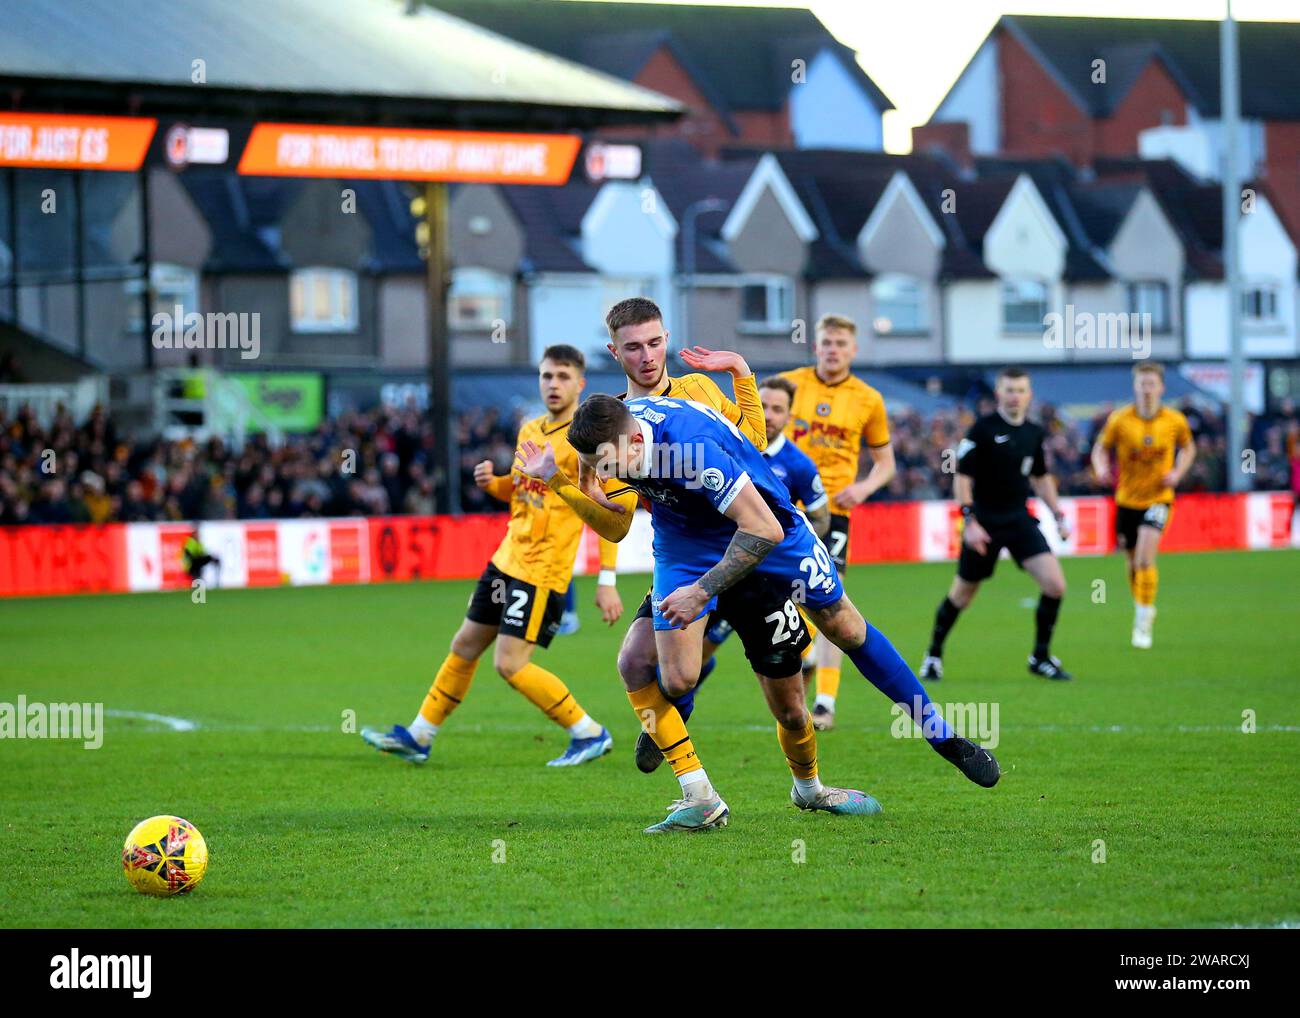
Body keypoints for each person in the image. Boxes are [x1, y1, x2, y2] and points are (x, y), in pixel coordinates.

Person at [540, 392, 1000, 833]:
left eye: (612, 465)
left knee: (845, 629)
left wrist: (701, 592)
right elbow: (594, 449)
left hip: (767, 525)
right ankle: (693, 771)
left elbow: (761, 530)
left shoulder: (691, 451)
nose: (609, 474)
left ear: (637, 441)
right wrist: (582, 480)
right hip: (686, 541)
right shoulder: (609, 428)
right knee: (673, 676)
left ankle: (944, 738)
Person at [536, 297, 773, 776]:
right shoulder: (616, 422)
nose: (646, 356)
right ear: (613, 351)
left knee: (789, 694)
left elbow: (757, 444)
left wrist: (742, 373)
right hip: (683, 552)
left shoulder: (699, 388)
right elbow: (619, 524)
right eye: (633, 348)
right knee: (660, 669)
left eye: (654, 343)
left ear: (666, 340)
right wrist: (565, 483)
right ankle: (677, 744)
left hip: (746, 546)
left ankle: (809, 782)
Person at [360, 346, 628, 767]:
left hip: (543, 571)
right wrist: (495, 484)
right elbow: (522, 491)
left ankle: (588, 731)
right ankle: (420, 735)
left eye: (562, 376)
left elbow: (609, 513)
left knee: (510, 664)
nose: (553, 384)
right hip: (505, 560)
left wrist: (607, 581)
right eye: (546, 376)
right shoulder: (529, 428)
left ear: (581, 383)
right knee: (464, 645)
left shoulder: (586, 443)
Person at [780, 314, 895, 731]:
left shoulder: (868, 399)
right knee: (787, 597)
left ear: (853, 350)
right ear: (815, 346)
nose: (833, 349)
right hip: (783, 506)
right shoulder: (788, 384)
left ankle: (825, 703)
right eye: (826, 342)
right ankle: (805, 658)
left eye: (841, 343)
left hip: (833, 513)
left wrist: (863, 489)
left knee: (830, 599)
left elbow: (885, 463)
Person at [920, 367, 1073, 682]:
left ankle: (1040, 657)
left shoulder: (1033, 432)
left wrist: (1057, 514)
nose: (1015, 396)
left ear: (1029, 395)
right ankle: (933, 655)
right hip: (984, 524)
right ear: (999, 394)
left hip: (1019, 520)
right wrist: (969, 521)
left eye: (1021, 390)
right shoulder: (982, 429)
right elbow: (962, 478)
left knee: (1055, 586)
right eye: (1009, 390)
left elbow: (1041, 477)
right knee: (962, 595)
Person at [700, 375, 828, 701]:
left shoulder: (799, 465)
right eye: (762, 406)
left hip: (762, 576)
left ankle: (799, 713)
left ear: (788, 416)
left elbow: (821, 518)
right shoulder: (727, 446)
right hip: (715, 563)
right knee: (689, 656)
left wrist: (785, 551)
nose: (768, 415)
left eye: (777, 409)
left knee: (783, 659)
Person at [1090, 362, 1196, 649]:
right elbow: (1101, 447)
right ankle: (1143, 603)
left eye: (1151, 384)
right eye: (1142, 384)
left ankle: (1143, 619)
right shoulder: (1120, 420)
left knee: (1145, 559)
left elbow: (1188, 447)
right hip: (1126, 500)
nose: (1147, 389)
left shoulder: (1174, 420)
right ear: (1135, 386)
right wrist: (1100, 468)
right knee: (1133, 564)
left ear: (1161, 387)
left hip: (1159, 498)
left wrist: (1177, 473)